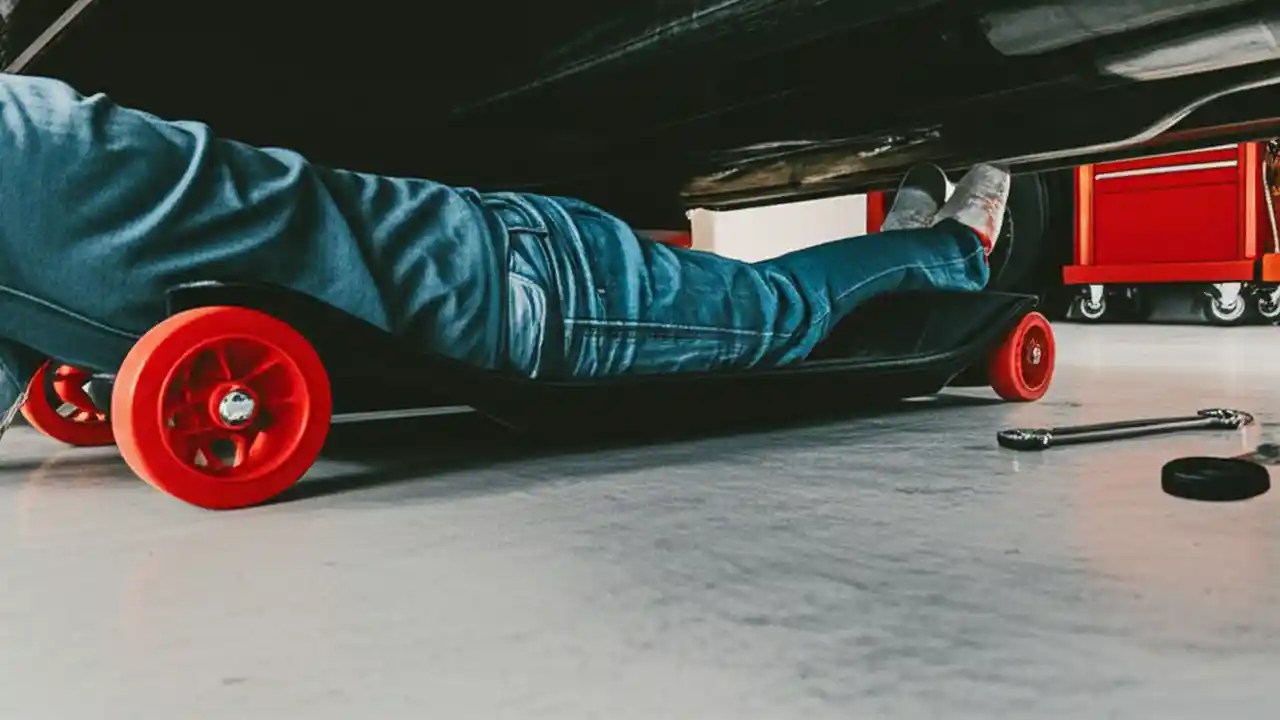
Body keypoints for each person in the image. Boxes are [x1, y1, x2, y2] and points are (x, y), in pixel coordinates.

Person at [0, 72, 1009, 433]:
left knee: (778, 316)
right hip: (491, 262)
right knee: (768, 305)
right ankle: (905, 246)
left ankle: (945, 251)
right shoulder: (27, 128)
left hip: (527, 292)